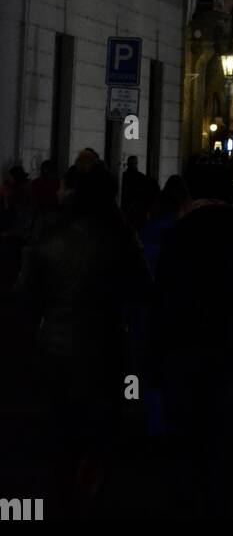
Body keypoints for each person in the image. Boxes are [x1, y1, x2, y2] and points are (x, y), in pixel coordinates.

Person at [14, 161, 152, 514]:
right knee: (100, 430)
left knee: (60, 430)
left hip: (57, 348)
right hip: (104, 348)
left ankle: (62, 495)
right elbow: (143, 291)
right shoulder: (120, 238)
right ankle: (89, 495)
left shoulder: (50, 236)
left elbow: (25, 299)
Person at [150, 160, 233, 518]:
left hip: (182, 355)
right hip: (230, 357)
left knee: (184, 446)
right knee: (221, 446)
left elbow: (163, 301)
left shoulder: (177, 236)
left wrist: (155, 360)